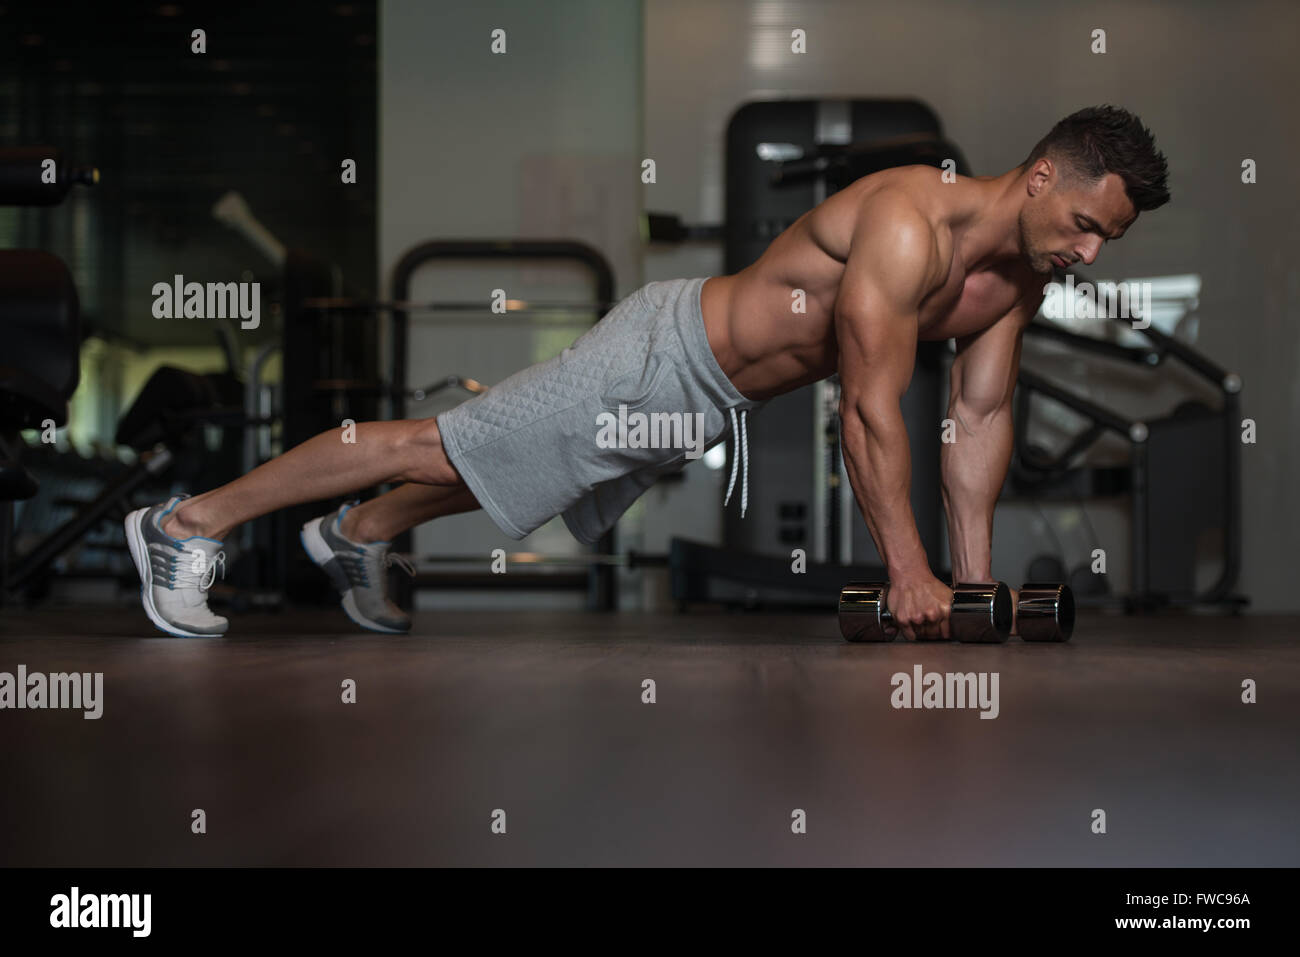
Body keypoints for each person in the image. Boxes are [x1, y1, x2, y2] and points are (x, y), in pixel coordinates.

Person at [126, 105, 1169, 639]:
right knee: (432, 442)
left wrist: (974, 583)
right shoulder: (910, 221)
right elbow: (866, 408)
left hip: (709, 400)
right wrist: (906, 569)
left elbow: (978, 421)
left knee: (510, 475)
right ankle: (186, 526)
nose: (1087, 253)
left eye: (1103, 242)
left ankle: (360, 534)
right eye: (1083, 225)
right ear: (1039, 178)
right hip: (663, 350)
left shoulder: (1015, 283)